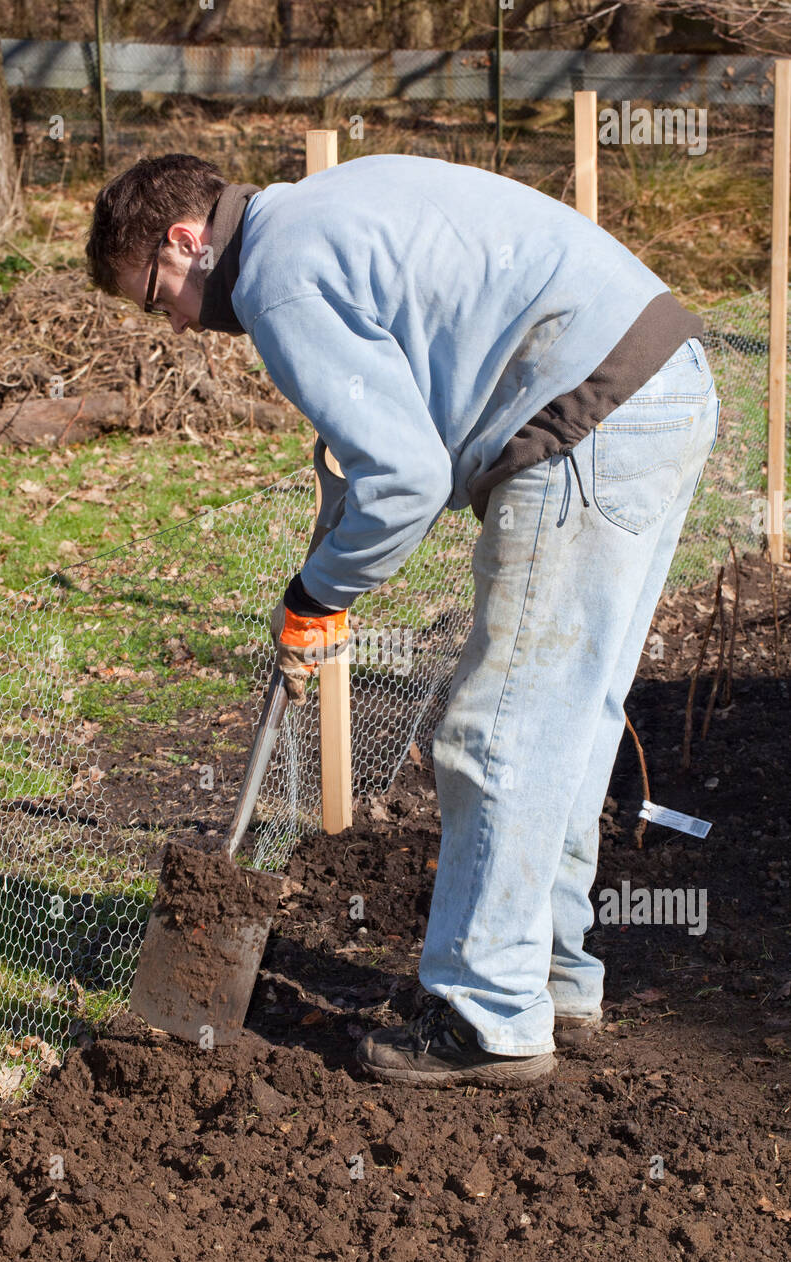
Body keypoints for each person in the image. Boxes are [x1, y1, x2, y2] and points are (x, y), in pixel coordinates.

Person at [86, 151, 721, 1089]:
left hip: (583, 418)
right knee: (569, 722)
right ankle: (547, 970)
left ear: (186, 242)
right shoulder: (316, 210)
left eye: (156, 297)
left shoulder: (274, 276)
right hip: (664, 382)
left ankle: (485, 1015)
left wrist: (316, 594)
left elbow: (406, 481)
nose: (177, 324)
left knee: (494, 730)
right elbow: (397, 410)